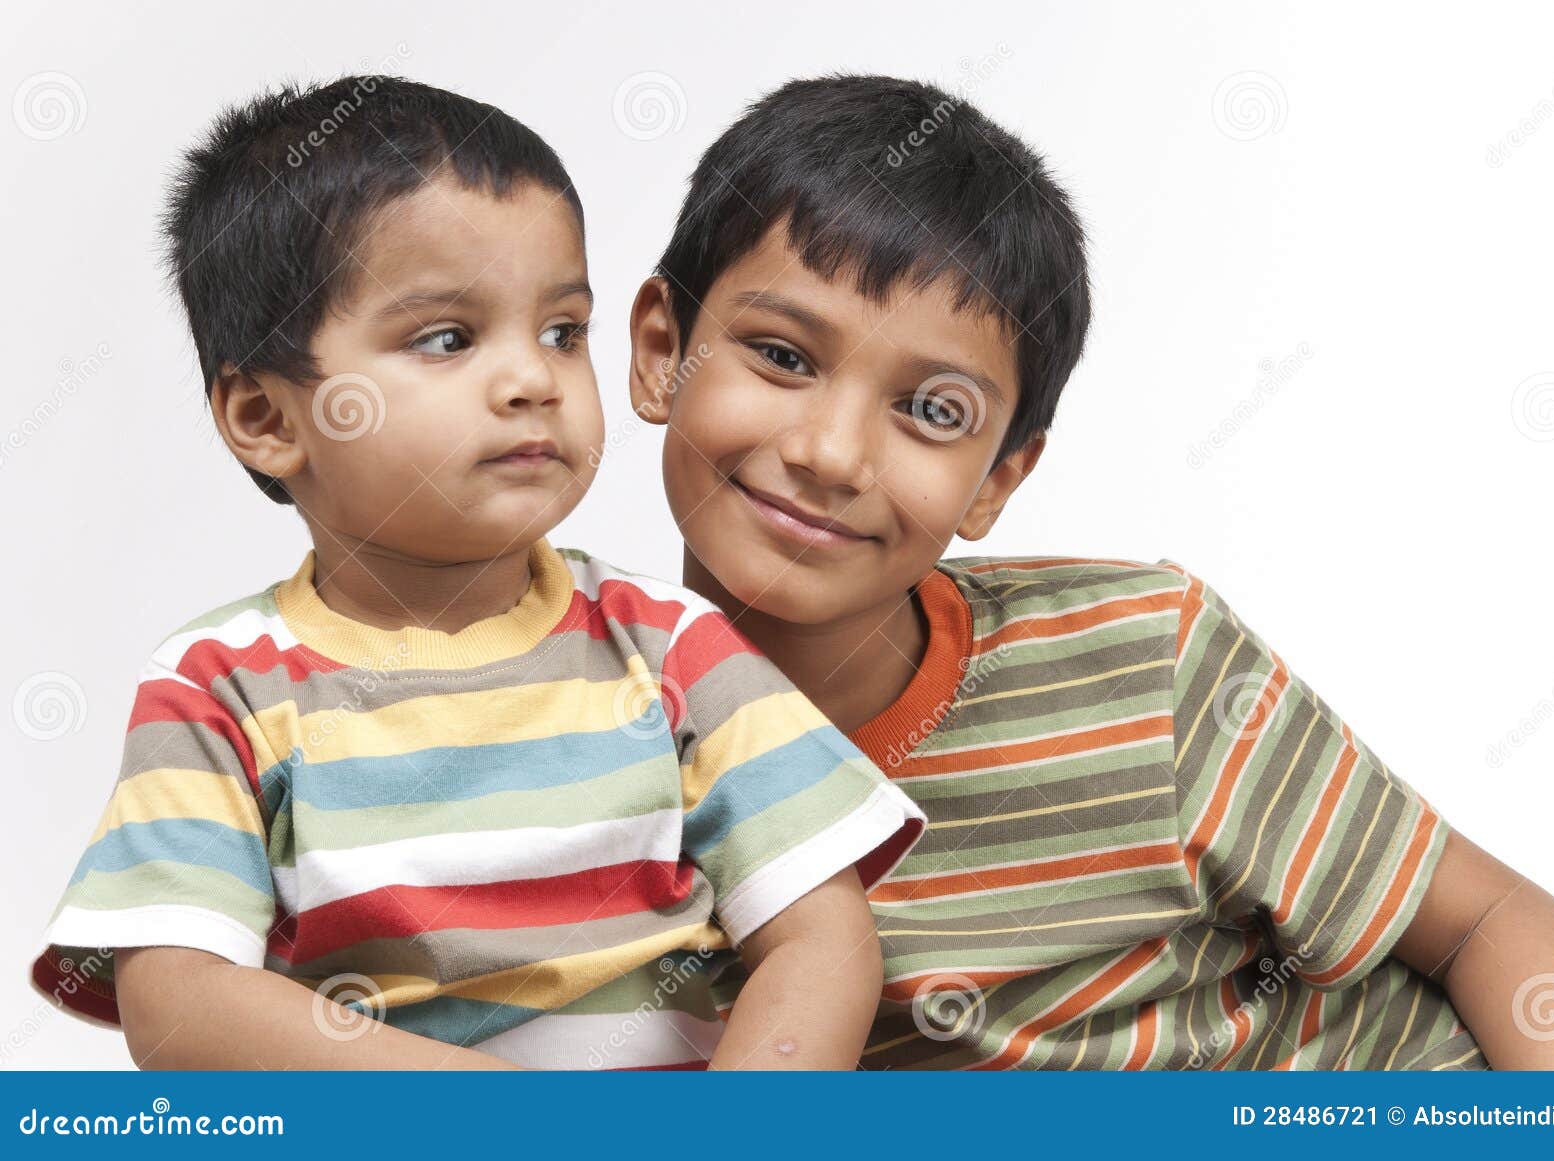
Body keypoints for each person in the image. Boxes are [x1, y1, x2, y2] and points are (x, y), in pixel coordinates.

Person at [625, 74, 1554, 1069]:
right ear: (664, 352)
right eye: (784, 356)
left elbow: (1487, 924)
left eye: (930, 412)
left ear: (996, 477)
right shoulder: (562, 761)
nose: (831, 454)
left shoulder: (1147, 667)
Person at [30, 76, 925, 1071]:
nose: (534, 379)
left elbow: (821, 935)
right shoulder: (219, 688)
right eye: (448, 338)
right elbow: (180, 1006)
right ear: (267, 418)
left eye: (562, 332)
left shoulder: (667, 646)